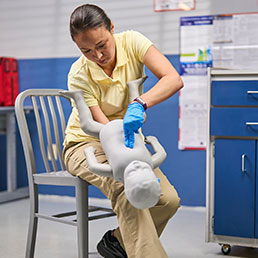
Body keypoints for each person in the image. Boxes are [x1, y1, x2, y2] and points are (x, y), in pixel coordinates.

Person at [63, 3, 184, 258]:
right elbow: (103, 129)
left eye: (101, 45)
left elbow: (173, 78)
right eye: (86, 50)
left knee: (167, 200)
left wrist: (141, 103)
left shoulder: (133, 42)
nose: (97, 56)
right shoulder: (78, 74)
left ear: (112, 29)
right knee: (128, 188)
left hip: (125, 141)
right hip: (86, 144)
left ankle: (117, 241)